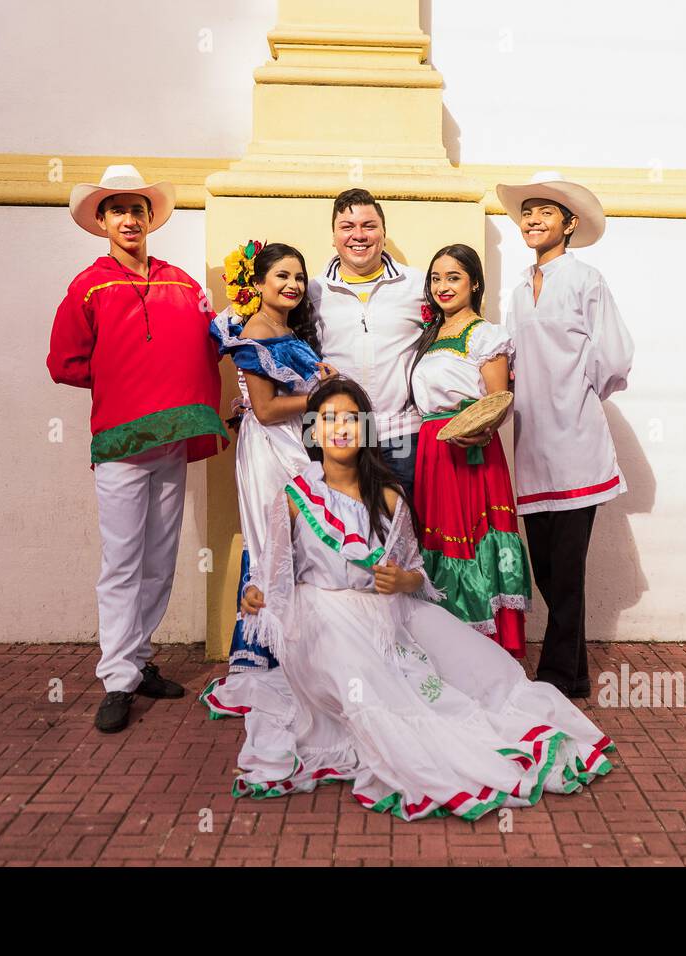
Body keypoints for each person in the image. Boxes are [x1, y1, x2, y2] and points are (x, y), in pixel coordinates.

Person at [203, 376, 614, 821]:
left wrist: (401, 581)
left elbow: (417, 574)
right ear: (313, 432)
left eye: (350, 418)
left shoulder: (388, 495)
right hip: (322, 615)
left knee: (479, 668)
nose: (340, 427)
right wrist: (255, 594)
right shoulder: (294, 498)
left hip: (388, 611)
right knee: (374, 692)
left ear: (365, 429)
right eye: (328, 419)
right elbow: (271, 574)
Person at [47, 164, 228, 733]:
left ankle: (139, 658)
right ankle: (117, 678)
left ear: (150, 218)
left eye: (138, 209)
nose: (129, 218)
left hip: (171, 440)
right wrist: (126, 384)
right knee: (123, 561)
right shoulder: (87, 286)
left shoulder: (182, 283)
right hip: (122, 442)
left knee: (159, 557)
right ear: (102, 221)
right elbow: (65, 363)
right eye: (118, 209)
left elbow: (210, 342)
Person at [495, 171, 634, 699]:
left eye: (546, 212)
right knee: (547, 568)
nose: (532, 220)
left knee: (568, 567)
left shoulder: (586, 279)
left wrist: (575, 394)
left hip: (576, 441)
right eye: (527, 212)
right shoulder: (515, 292)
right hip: (531, 443)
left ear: (569, 224)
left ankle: (555, 677)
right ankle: (574, 673)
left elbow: (614, 353)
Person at [208, 241, 335, 673]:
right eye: (282, 276)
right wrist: (322, 397)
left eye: (299, 277)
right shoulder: (259, 331)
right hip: (269, 447)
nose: (294, 284)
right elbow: (264, 410)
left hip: (288, 441)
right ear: (258, 283)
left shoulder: (286, 330)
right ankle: (262, 654)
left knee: (297, 539)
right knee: (274, 540)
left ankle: (293, 652)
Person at [407, 244, 532, 657]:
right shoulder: (429, 335)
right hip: (431, 450)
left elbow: (499, 400)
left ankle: (488, 650)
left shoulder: (485, 334)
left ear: (474, 282)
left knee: (473, 543)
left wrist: (479, 432)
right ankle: (447, 647)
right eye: (436, 278)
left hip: (470, 452)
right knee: (439, 543)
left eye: (454, 277)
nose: (442, 286)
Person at [308, 188, 426, 502]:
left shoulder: (418, 285)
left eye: (368, 226)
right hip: (337, 435)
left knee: (405, 533)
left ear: (383, 234)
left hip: (400, 433)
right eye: (347, 227)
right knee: (344, 534)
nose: (358, 235)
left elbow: (451, 337)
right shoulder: (311, 290)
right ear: (333, 236)